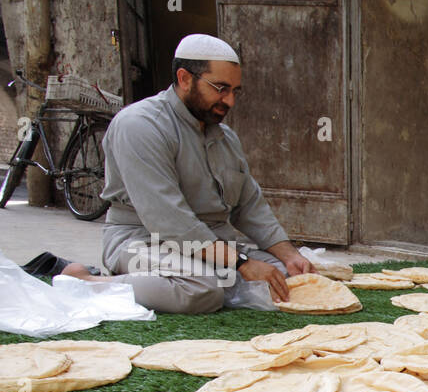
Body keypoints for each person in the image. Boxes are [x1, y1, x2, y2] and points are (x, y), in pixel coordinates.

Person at [92, 33, 312, 313]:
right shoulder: (140, 126)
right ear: (185, 79)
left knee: (289, 276)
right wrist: (241, 263)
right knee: (201, 288)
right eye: (220, 88)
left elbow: (249, 205)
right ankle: (90, 281)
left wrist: (289, 255)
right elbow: (169, 222)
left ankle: (205, 276)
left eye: (235, 91)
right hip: (144, 241)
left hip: (212, 244)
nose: (229, 100)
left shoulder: (225, 137)